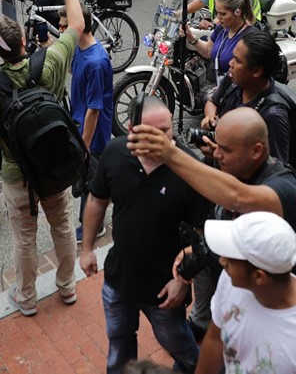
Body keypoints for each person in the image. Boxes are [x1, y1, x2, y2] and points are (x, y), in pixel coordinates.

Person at [126, 107, 296, 340]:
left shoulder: (286, 191)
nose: (217, 154)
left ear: (256, 151)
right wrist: (203, 248)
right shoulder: (239, 169)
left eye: (226, 149)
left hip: (265, 314)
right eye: (216, 145)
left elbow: (237, 197)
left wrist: (170, 152)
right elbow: (232, 230)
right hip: (234, 297)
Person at [0, 0, 82, 317]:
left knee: (24, 237)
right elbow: (78, 25)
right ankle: (67, 287)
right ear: (23, 41)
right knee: (63, 227)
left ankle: (27, 297)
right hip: (53, 164)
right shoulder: (50, 61)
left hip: (16, 173)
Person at [79, 99, 207, 374]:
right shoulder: (115, 153)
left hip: (164, 289)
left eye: (167, 129)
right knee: (119, 346)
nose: (163, 139)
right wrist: (87, 248)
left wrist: (182, 280)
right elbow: (97, 200)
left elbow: (202, 237)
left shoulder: (189, 169)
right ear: (131, 129)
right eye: (153, 131)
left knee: (179, 345)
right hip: (118, 281)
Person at [199, 211, 296, 374]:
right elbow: (215, 338)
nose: (222, 261)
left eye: (230, 260)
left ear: (259, 277)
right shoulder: (231, 281)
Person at [59, 3, 114, 242]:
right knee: (88, 179)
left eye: (65, 27)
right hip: (81, 125)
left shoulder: (96, 62)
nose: (62, 32)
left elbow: (94, 109)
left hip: (93, 134)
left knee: (91, 182)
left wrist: (84, 146)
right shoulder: (80, 51)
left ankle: (94, 226)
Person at [200, 28, 293, 164]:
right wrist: (210, 118)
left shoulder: (273, 117)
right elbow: (212, 102)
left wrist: (221, 156)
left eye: (237, 61)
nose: (230, 64)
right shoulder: (232, 80)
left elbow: (275, 174)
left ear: (256, 71)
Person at [186, 0, 257, 87]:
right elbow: (208, 51)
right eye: (217, 12)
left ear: (238, 12)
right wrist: (190, 37)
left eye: (223, 14)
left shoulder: (250, 38)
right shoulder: (222, 28)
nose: (218, 18)